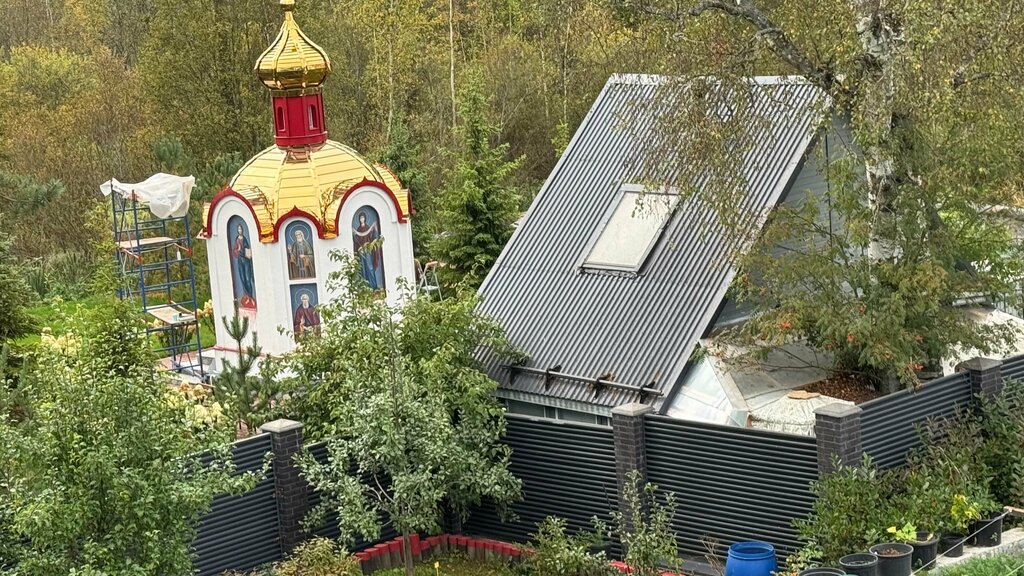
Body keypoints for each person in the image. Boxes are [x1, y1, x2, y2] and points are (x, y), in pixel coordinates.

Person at [352, 210, 384, 291]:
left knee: (370, 268)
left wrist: (375, 229)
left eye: (363, 218)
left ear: (365, 218)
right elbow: (357, 241)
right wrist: (354, 235)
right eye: (360, 218)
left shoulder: (368, 228)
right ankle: (364, 288)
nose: (361, 219)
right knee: (363, 269)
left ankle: (373, 286)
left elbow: (373, 238)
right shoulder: (358, 229)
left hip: (368, 252)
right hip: (361, 253)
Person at [231, 222, 256, 309]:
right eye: (238, 229)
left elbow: (248, 249)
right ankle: (247, 297)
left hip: (246, 261)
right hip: (240, 261)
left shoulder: (244, 239)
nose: (240, 230)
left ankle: (251, 296)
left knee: (248, 278)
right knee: (243, 278)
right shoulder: (236, 239)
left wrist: (247, 254)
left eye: (241, 229)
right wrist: (237, 250)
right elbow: (235, 250)